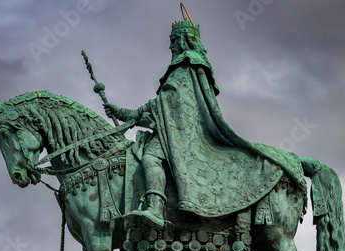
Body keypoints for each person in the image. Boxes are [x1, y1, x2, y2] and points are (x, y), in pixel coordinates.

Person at [105, 14, 300, 229]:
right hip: (178, 129)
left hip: (184, 134)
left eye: (172, 41)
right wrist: (125, 114)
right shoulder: (193, 64)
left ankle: (154, 206)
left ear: (181, 40)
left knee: (150, 156)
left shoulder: (185, 63)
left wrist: (127, 112)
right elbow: (166, 108)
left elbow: (169, 100)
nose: (171, 47)